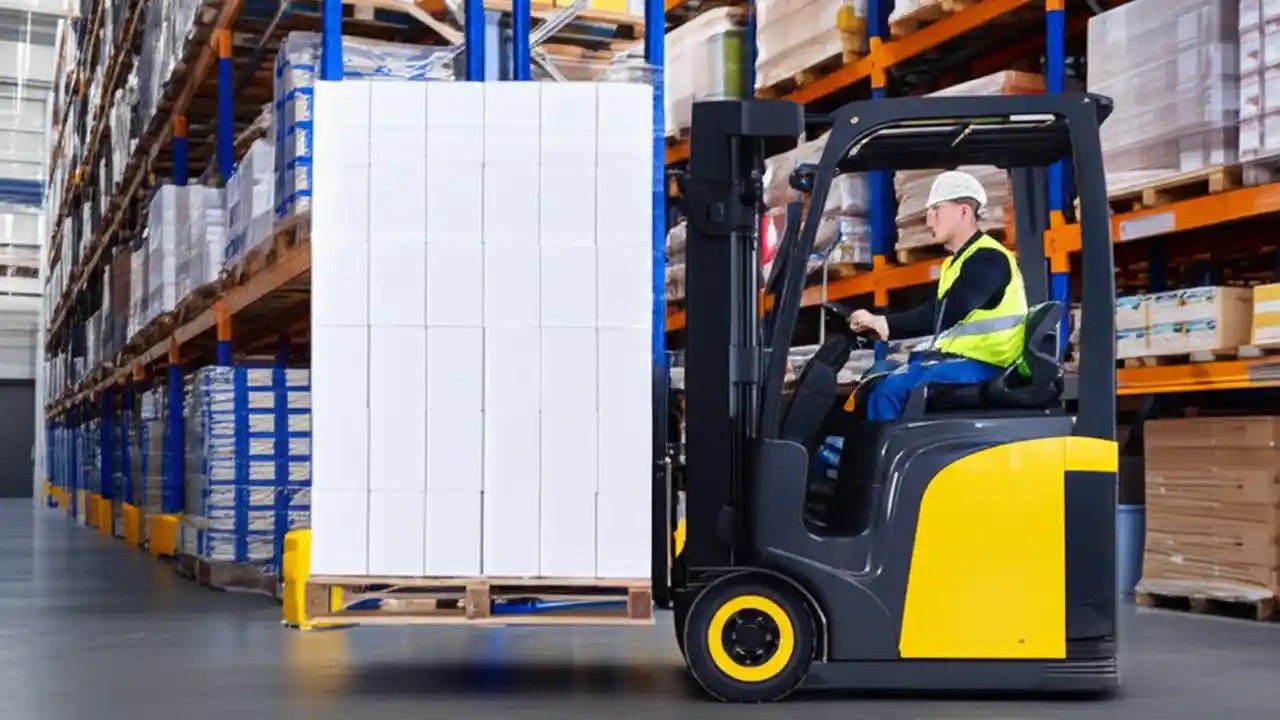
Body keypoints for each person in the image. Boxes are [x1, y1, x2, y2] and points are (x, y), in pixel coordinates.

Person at [848, 170, 1028, 421]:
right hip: (963, 360)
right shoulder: (956, 262)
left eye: (936, 210)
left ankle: (881, 456)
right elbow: (940, 313)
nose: (929, 221)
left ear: (964, 212)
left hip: (986, 365)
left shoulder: (988, 259)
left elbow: (948, 312)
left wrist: (886, 324)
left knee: (889, 391)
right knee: (877, 373)